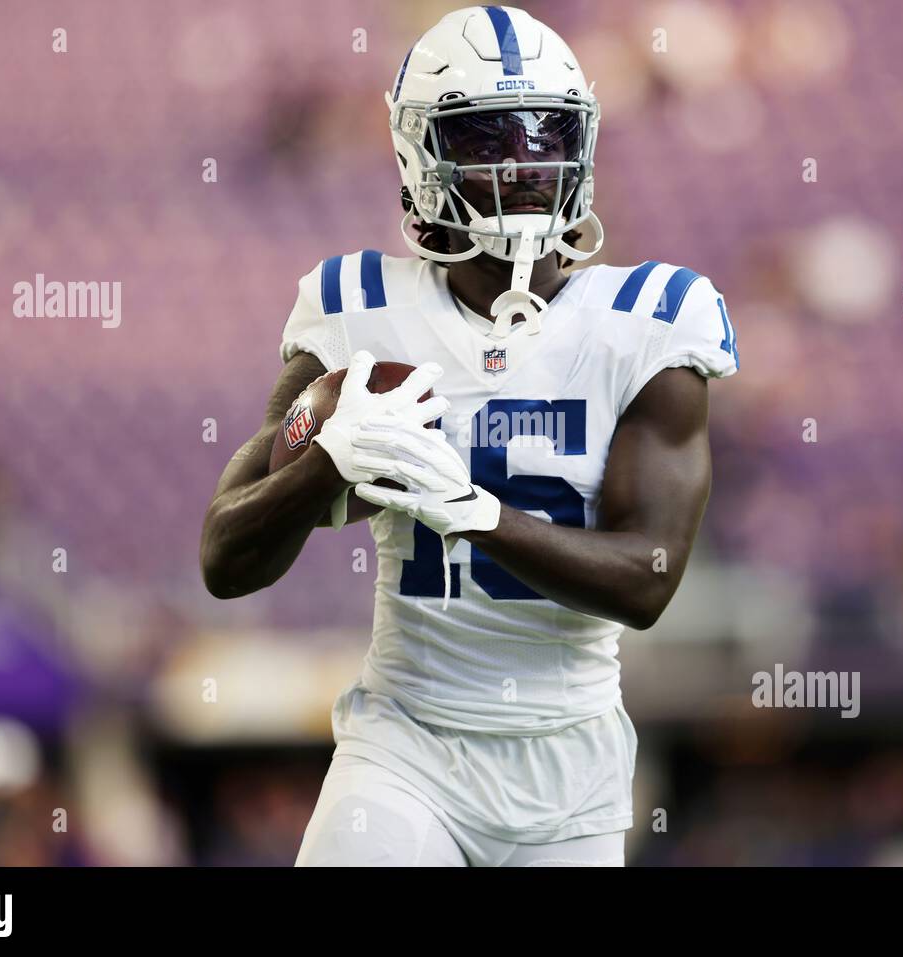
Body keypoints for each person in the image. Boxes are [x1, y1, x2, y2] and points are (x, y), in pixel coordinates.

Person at [200, 5, 738, 866]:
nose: (527, 163)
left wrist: (470, 511)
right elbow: (225, 558)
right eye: (490, 138)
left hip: (571, 767)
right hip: (407, 743)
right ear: (422, 154)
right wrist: (326, 466)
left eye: (548, 134)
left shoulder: (650, 320)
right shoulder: (358, 310)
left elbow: (649, 580)